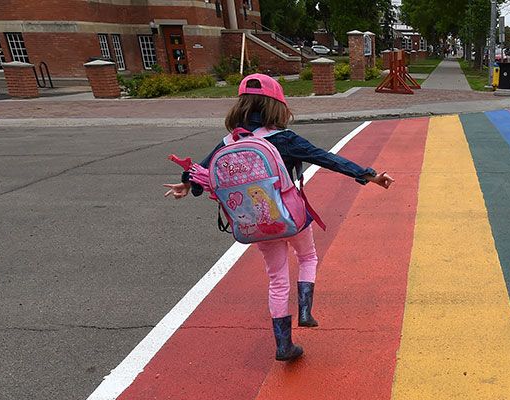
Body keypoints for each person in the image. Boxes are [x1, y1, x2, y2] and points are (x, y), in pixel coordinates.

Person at [164, 74, 393, 362]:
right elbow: (325, 158)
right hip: (292, 218)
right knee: (307, 257)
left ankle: (284, 346)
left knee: (277, 279)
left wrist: (186, 184)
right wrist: (368, 175)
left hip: (257, 224)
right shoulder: (283, 138)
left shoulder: (228, 142)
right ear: (277, 107)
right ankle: (306, 311)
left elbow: (202, 171)